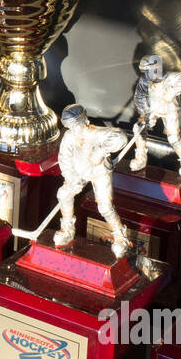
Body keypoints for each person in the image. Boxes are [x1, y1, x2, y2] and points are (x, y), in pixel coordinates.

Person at [53, 105, 130, 257]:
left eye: (76, 125)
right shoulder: (69, 137)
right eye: (70, 126)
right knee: (64, 194)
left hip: (100, 173)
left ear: (84, 121)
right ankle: (68, 229)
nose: (74, 130)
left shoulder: (98, 134)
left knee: (105, 207)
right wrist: (70, 177)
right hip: (79, 173)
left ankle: (120, 236)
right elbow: (64, 158)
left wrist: (100, 151)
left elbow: (121, 137)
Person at [129, 55, 181, 179]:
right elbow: (139, 98)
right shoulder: (144, 80)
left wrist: (171, 92)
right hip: (152, 111)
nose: (146, 74)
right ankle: (141, 158)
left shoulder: (171, 78)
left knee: (173, 138)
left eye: (148, 71)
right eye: (144, 71)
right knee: (139, 129)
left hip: (170, 111)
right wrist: (145, 113)